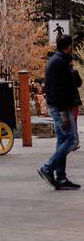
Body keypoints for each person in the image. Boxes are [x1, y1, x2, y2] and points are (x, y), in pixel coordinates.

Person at [38, 34, 81, 191]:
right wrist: (63, 113)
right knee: (72, 140)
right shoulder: (59, 63)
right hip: (61, 107)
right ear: (69, 47)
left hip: (59, 106)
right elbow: (58, 90)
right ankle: (48, 167)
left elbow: (75, 83)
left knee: (63, 140)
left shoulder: (59, 61)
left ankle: (61, 177)